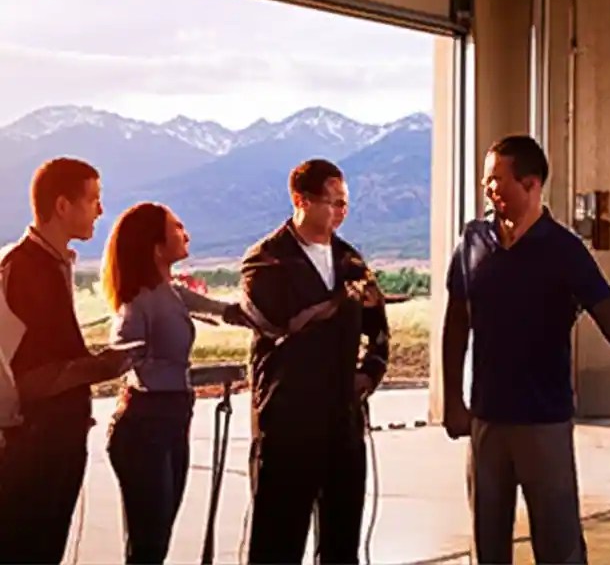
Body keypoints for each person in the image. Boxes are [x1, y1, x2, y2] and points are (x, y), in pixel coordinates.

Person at [441, 134, 610, 564]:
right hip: (487, 420)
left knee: (558, 542)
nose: (488, 189)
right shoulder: (473, 241)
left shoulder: (564, 250)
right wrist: (454, 399)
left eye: (497, 180)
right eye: (486, 181)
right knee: (487, 542)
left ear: (531, 184)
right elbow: (456, 322)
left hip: (543, 421)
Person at [239, 158, 390, 564]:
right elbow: (281, 320)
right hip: (288, 422)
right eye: (332, 202)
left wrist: (368, 375)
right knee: (278, 541)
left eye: (345, 204)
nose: (340, 212)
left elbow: (378, 329)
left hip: (342, 423)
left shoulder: (351, 261)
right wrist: (340, 299)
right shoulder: (265, 259)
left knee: (342, 545)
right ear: (300, 200)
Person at [0, 158, 137, 564]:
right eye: (93, 199)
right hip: (33, 446)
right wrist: (103, 366)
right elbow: (21, 375)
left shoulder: (51, 265)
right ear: (62, 206)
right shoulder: (24, 268)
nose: (100, 209)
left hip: (55, 440)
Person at [101, 202, 251, 563]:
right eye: (177, 228)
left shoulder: (171, 291)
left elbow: (226, 311)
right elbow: (123, 359)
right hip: (145, 428)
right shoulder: (137, 304)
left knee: (158, 538)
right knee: (149, 544)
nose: (187, 234)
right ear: (156, 246)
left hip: (171, 422)